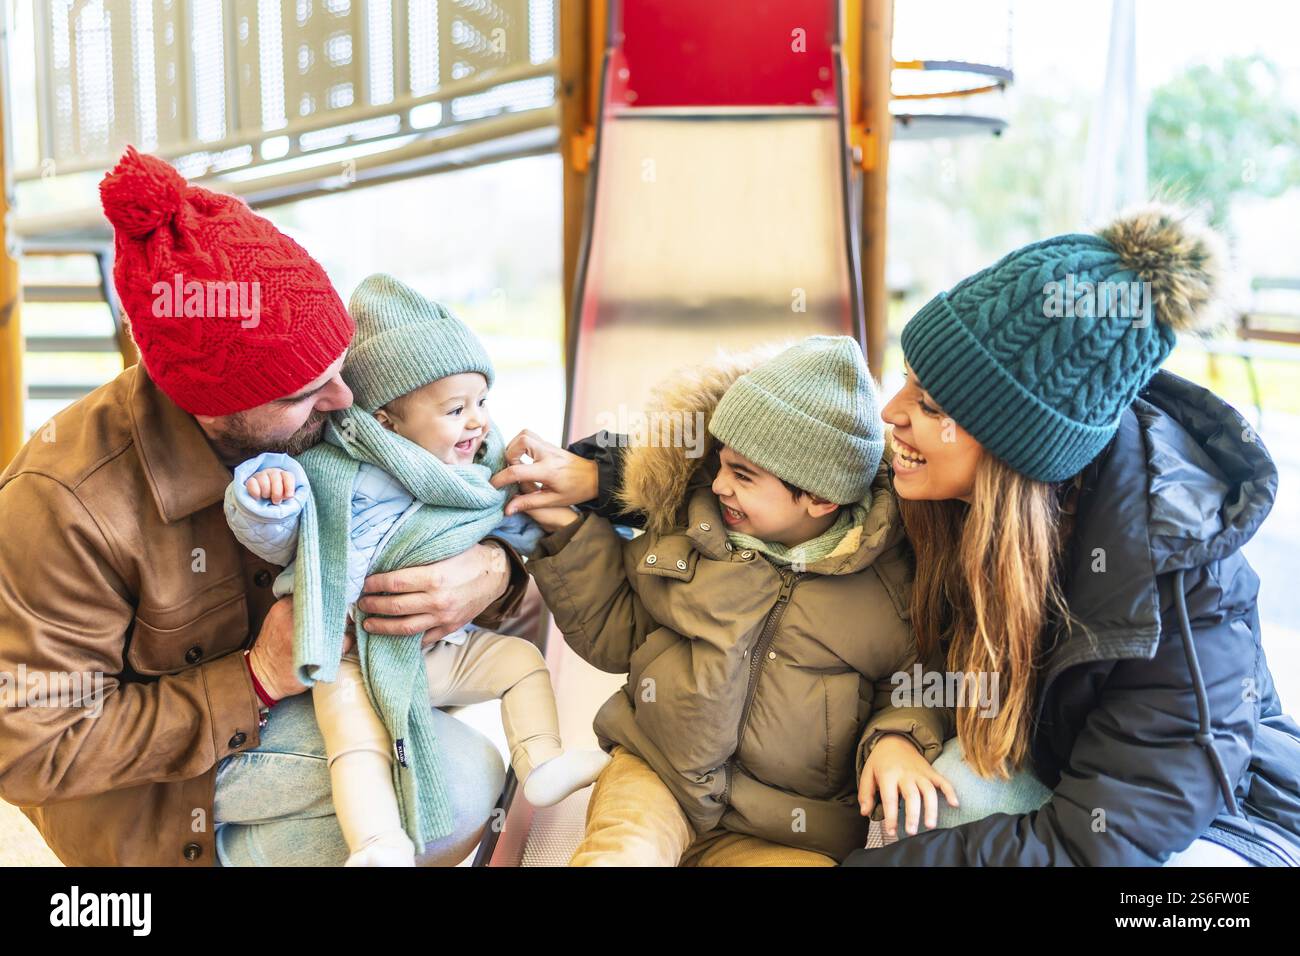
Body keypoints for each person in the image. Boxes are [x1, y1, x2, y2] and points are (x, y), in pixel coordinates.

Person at [493, 206, 1300, 867]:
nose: (892, 414)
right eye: (909, 377)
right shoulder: (931, 487)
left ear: (1017, 457)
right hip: (1023, 769)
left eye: (934, 407)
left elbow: (1104, 841)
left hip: (1206, 833)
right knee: (952, 792)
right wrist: (599, 475)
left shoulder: (1184, 596)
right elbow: (790, 462)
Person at [0, 148, 527, 866]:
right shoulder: (63, 504)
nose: (344, 402)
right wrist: (253, 677)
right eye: (303, 392)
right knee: (454, 786)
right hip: (164, 793)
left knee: (465, 770)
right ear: (209, 409)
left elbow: (522, 584)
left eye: (338, 366)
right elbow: (27, 747)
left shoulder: (349, 404)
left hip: (323, 698)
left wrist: (492, 571)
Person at [223, 274, 609, 866]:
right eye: (456, 409)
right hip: (352, 653)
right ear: (387, 421)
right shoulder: (336, 474)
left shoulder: (471, 477)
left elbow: (514, 531)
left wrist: (555, 517)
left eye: (482, 402)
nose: (478, 422)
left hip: (433, 650)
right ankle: (377, 844)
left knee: (520, 661)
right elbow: (289, 541)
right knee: (356, 742)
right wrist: (264, 503)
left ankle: (541, 762)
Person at [524, 337, 954, 865]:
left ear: (821, 498)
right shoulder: (695, 536)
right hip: (656, 772)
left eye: (744, 476)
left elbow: (913, 685)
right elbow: (620, 635)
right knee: (620, 852)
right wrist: (569, 538)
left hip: (791, 827)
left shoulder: (889, 590)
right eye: (722, 464)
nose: (720, 485)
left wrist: (898, 739)